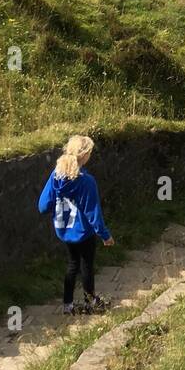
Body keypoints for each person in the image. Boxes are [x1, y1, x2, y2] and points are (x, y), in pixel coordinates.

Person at [38, 134, 114, 314]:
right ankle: (90, 302)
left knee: (72, 264)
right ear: (85, 155)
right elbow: (92, 212)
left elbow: (42, 206)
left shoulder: (56, 176)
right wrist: (105, 235)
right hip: (83, 231)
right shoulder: (86, 181)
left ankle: (68, 305)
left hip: (64, 230)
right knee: (86, 265)